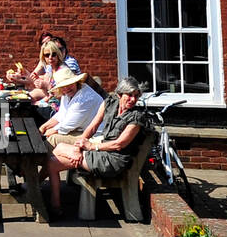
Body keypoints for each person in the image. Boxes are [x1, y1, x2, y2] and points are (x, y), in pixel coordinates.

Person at [44, 77, 149, 217]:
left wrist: (91, 146)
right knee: (53, 160)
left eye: (136, 96)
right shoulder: (110, 103)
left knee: (57, 152)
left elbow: (119, 144)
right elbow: (92, 127)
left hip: (113, 160)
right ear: (119, 94)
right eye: (129, 95)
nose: (133, 99)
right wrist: (79, 146)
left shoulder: (136, 118)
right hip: (101, 151)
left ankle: (53, 205)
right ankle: (55, 205)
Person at [37, 68, 102, 142]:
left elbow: (68, 125)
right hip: (81, 129)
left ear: (76, 82)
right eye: (62, 86)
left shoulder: (84, 99)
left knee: (52, 139)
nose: (66, 88)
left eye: (69, 84)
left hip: (95, 136)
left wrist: (44, 134)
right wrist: (43, 127)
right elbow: (61, 114)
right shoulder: (67, 94)